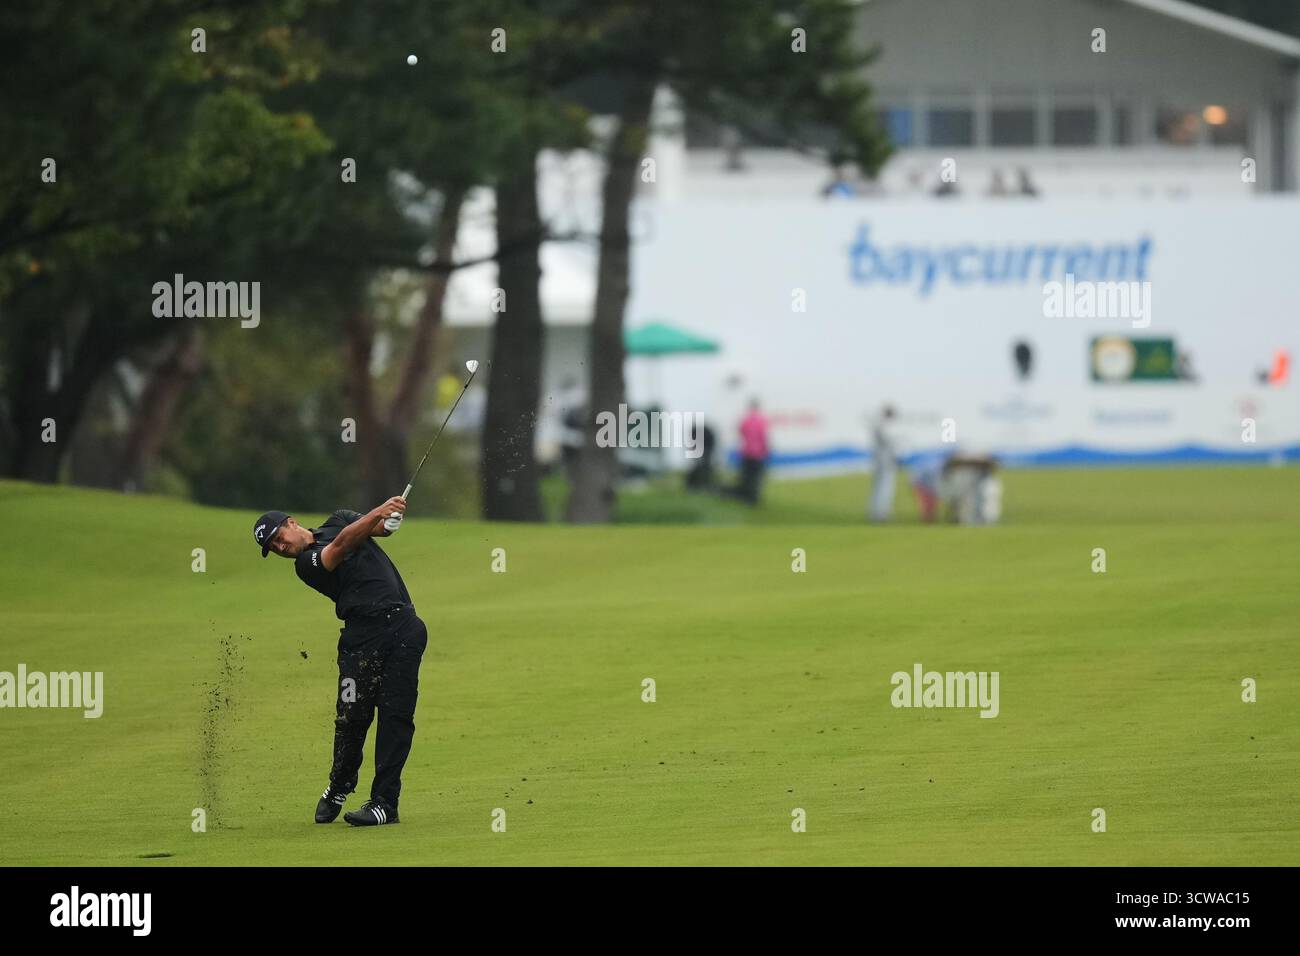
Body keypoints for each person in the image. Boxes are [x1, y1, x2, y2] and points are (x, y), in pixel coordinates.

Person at [252, 495, 425, 827]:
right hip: (360, 641)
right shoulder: (306, 564)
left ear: (291, 522)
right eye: (272, 547)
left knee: (396, 718)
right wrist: (379, 510)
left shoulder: (341, 518)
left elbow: (378, 529)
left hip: (404, 629)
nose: (279, 547)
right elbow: (344, 545)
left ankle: (384, 804)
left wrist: (390, 519)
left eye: (278, 537)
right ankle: (340, 785)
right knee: (351, 718)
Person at [732, 400, 769, 505]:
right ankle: (754, 497)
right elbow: (764, 437)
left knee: (746, 476)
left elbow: (741, 432)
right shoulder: (762, 420)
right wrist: (766, 450)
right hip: (758, 453)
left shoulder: (745, 420)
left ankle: (745, 496)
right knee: (756, 477)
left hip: (746, 451)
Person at [869, 405, 899, 522]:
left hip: (881, 461)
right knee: (884, 489)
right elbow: (887, 442)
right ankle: (881, 515)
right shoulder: (882, 426)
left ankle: (878, 514)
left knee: (879, 489)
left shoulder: (879, 424)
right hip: (885, 462)